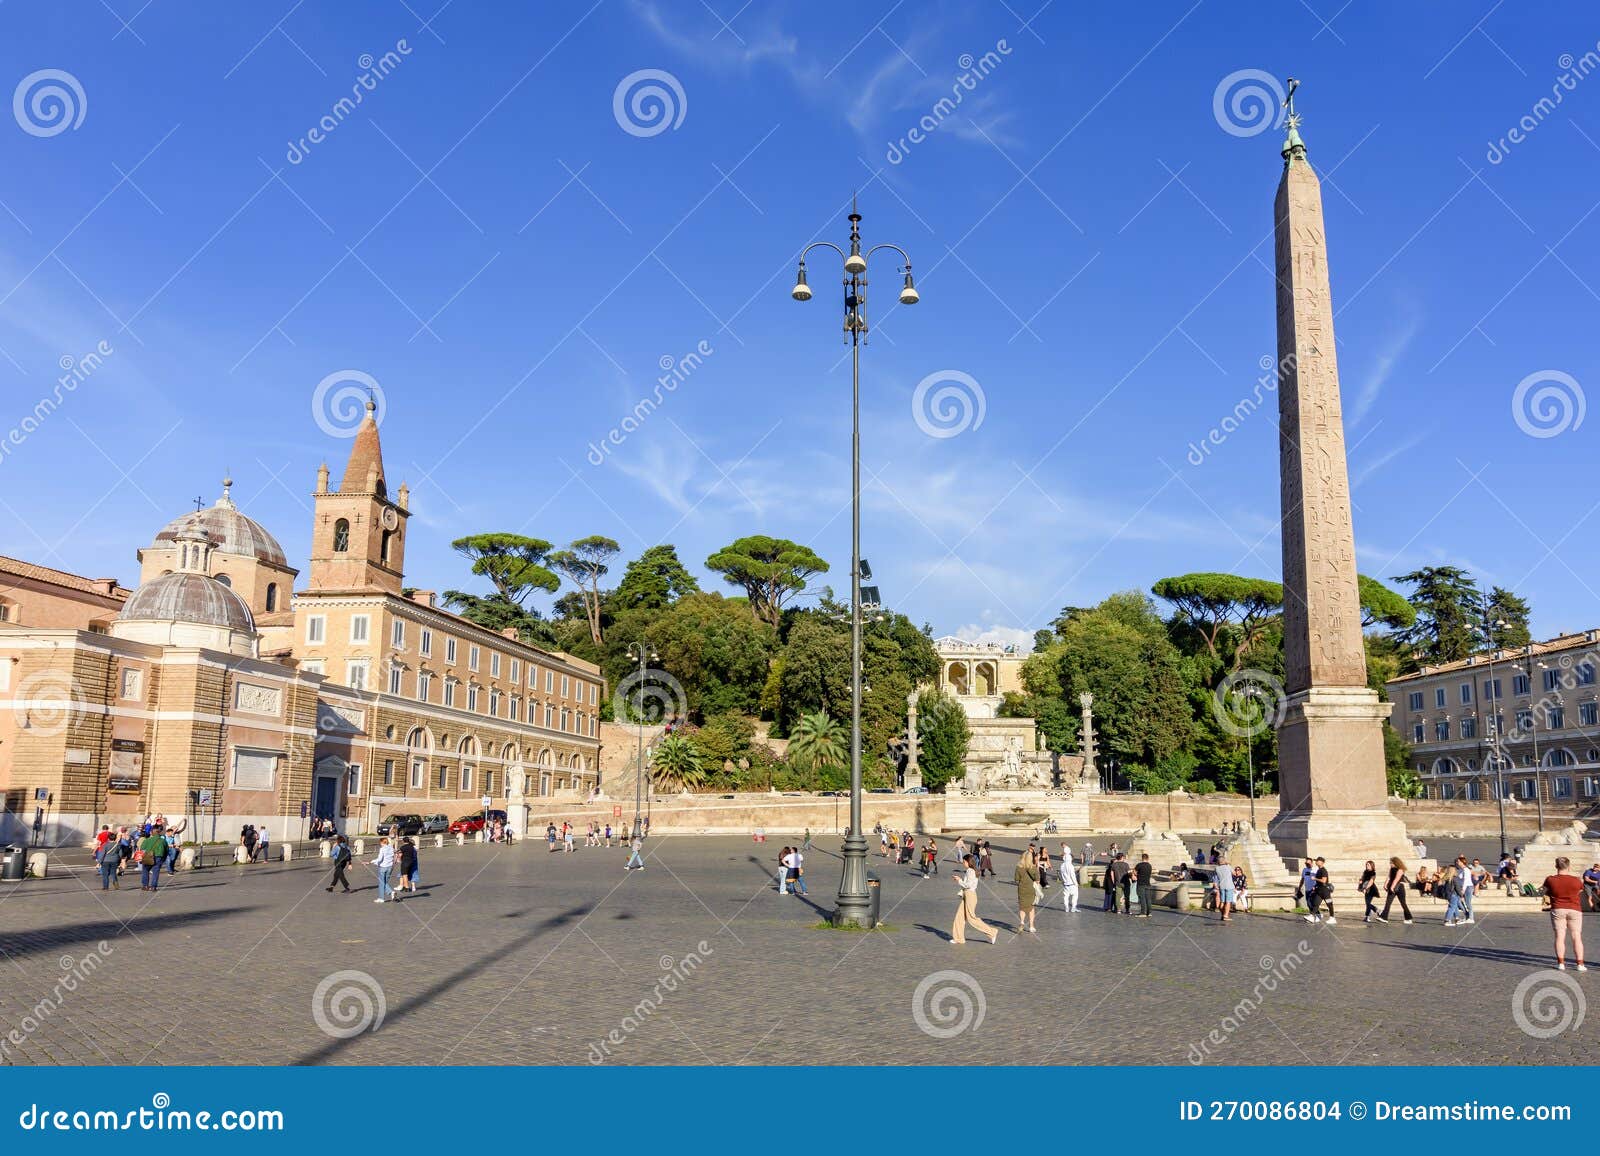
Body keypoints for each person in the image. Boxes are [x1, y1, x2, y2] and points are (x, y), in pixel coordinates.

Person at [1543, 856, 1588, 971]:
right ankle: (1580, 964)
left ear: (1556, 866)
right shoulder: (1576, 880)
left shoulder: (1550, 879)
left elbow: (1545, 891)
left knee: (1559, 936)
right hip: (1574, 908)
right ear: (1569, 866)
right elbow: (1580, 891)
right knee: (1576, 936)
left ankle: (1561, 963)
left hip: (1558, 908)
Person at [950, 854, 999, 945]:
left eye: (964, 861)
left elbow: (968, 885)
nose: (963, 863)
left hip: (970, 895)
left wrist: (959, 880)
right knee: (959, 916)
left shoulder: (970, 871)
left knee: (971, 918)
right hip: (967, 895)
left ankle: (992, 932)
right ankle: (959, 938)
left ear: (968, 862)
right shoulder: (971, 870)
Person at [1377, 856, 1413, 923]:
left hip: (1399, 887)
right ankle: (1384, 917)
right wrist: (1385, 884)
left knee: (1403, 903)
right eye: (1390, 863)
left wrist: (1392, 887)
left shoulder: (1400, 869)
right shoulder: (1391, 869)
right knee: (1388, 902)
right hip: (1392, 886)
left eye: (1391, 863)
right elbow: (1389, 877)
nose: (1390, 864)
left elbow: (1397, 879)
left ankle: (1408, 918)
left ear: (1396, 863)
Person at [1444, 854, 1475, 927]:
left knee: (1467, 903)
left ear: (1462, 862)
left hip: (1467, 887)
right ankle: (1462, 916)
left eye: (1458, 861)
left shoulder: (1466, 870)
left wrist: (1463, 890)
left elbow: (1466, 881)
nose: (1457, 862)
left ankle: (1470, 917)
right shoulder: (1460, 869)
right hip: (1459, 888)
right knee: (1457, 903)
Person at [1015, 846, 1040, 934]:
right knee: (1031, 908)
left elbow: (1016, 880)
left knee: (1022, 907)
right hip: (1030, 889)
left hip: (1022, 889)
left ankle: (1022, 922)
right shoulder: (1032, 867)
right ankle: (1031, 926)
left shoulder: (1018, 867)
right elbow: (1037, 879)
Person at [1306, 857, 1336, 924]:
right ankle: (1312, 916)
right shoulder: (1319, 870)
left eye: (1317, 861)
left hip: (1325, 891)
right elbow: (1319, 882)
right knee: (1315, 904)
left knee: (1329, 904)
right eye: (1316, 861)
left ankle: (1332, 918)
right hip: (1319, 891)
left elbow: (1324, 881)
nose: (1316, 862)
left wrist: (1315, 878)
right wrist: (1315, 886)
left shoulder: (1323, 870)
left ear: (1321, 862)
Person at [139, 825, 169, 892]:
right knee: (156, 872)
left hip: (148, 857)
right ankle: (153, 887)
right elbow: (166, 850)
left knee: (145, 870)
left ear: (152, 833)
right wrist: (163, 859)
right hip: (159, 857)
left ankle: (145, 886)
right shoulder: (163, 841)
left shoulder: (147, 840)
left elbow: (142, 849)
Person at [1214, 852, 1236, 923]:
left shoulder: (1216, 868)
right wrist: (1228, 863)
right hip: (1229, 886)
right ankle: (1226, 916)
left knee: (1222, 902)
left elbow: (1216, 877)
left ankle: (1223, 914)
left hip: (1222, 886)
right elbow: (1234, 873)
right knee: (1228, 902)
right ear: (1224, 860)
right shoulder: (1228, 867)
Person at [372, 837, 395, 903]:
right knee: (385, 882)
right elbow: (393, 856)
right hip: (389, 867)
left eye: (380, 842)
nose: (380, 844)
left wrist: (372, 861)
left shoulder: (382, 849)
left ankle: (383, 897)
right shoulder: (391, 848)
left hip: (383, 867)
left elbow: (379, 859)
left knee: (382, 883)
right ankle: (390, 893)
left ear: (382, 842)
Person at [1058, 843, 1079, 912]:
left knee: (1065, 896)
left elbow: (1060, 874)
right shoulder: (1070, 866)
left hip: (1065, 883)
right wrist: (1076, 883)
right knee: (1075, 895)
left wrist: (1062, 881)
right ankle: (1073, 907)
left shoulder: (1062, 865)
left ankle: (1066, 907)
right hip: (1072, 883)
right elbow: (1072, 875)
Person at [1134, 851, 1154, 917]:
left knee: (1142, 898)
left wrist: (1137, 874)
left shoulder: (1139, 865)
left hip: (1140, 883)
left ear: (1142, 858)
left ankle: (1143, 913)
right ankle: (1149, 912)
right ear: (1147, 858)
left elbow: (1134, 872)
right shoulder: (1149, 865)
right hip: (1147, 883)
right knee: (1148, 898)